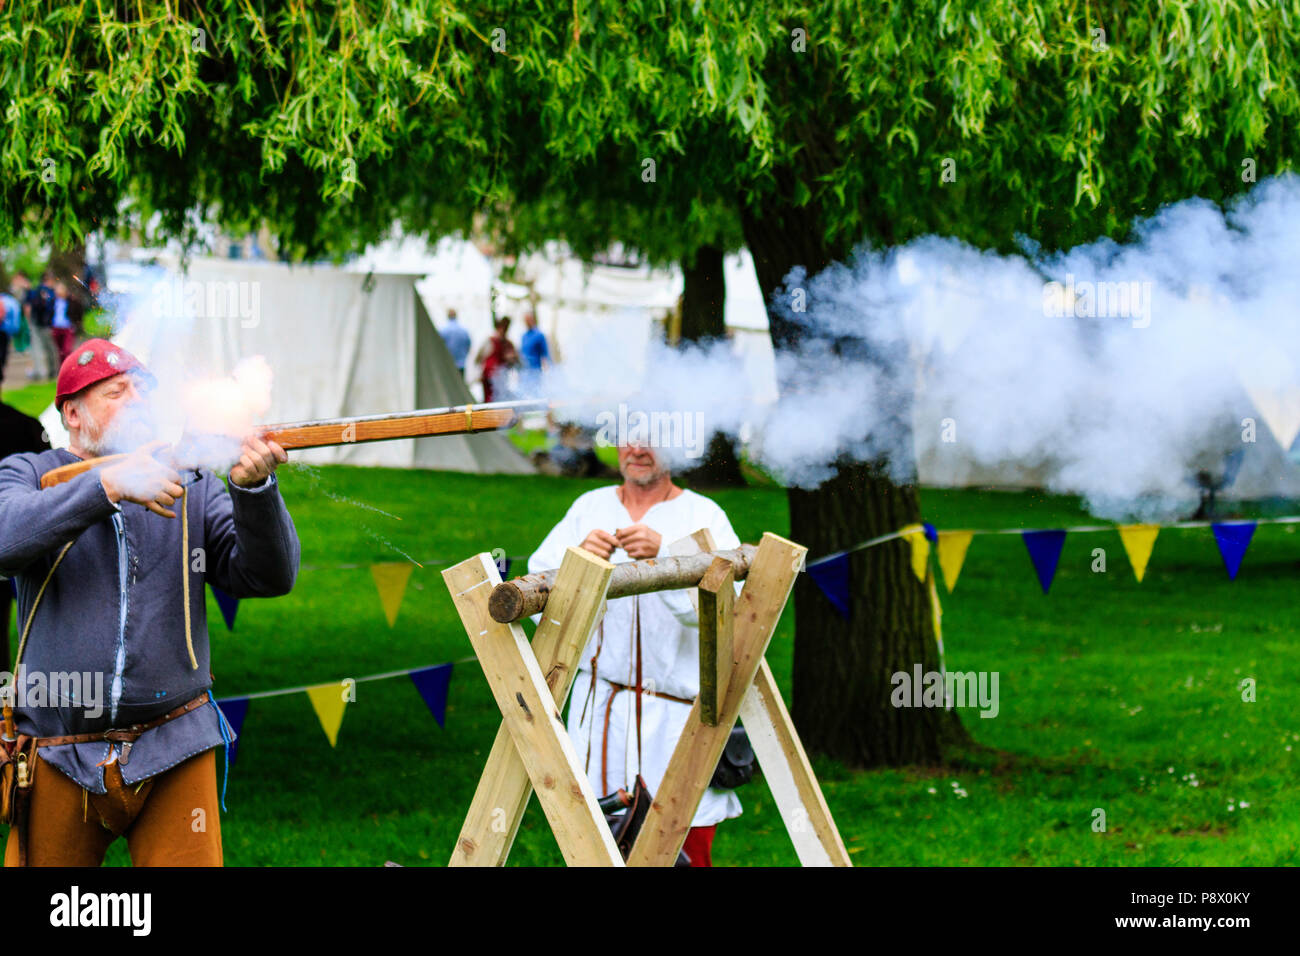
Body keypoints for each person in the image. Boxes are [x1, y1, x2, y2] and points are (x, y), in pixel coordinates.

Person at [0, 339, 300, 867]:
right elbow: (5, 540)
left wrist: (257, 491)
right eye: (117, 391)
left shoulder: (192, 479)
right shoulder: (27, 471)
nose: (137, 399)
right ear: (72, 412)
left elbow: (269, 575)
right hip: (55, 748)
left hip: (175, 741)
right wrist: (106, 486)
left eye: (144, 390)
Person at [526, 440, 742, 866]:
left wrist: (668, 554)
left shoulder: (704, 514)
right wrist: (578, 563)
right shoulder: (589, 507)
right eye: (629, 436)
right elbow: (540, 595)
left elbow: (729, 609)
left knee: (683, 848)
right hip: (599, 710)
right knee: (592, 844)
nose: (638, 449)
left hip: (676, 716)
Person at [474, 316, 519, 403]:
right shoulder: (490, 341)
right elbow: (478, 358)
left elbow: (514, 360)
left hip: (500, 376)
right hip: (489, 375)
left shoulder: (508, 343)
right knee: (490, 399)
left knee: (498, 398)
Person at [23, 271, 57, 381]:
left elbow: (29, 306)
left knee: (43, 349)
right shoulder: (44, 291)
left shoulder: (43, 291)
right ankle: (47, 372)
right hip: (43, 324)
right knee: (45, 349)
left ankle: (47, 372)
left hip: (40, 323)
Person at [49, 280, 79, 366]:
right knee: (59, 351)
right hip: (56, 327)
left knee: (67, 350)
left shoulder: (71, 301)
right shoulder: (53, 301)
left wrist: (75, 323)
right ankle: (62, 367)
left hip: (67, 327)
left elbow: (77, 312)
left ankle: (68, 366)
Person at [439, 308, 471, 378]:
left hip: (447, 365)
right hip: (461, 365)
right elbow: (468, 347)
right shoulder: (464, 331)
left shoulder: (443, 331)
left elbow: (439, 348)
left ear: (447, 316)